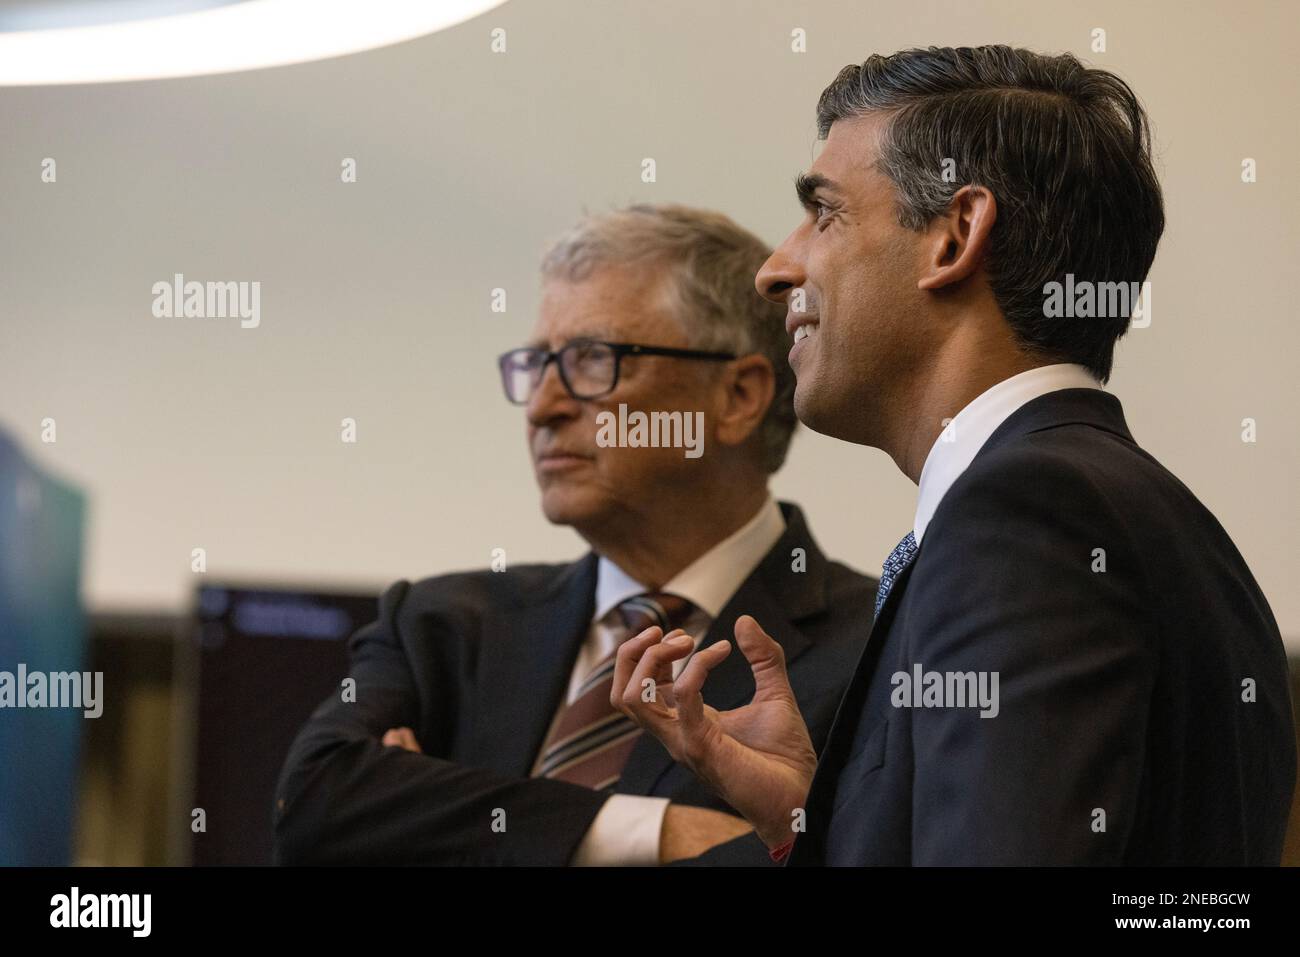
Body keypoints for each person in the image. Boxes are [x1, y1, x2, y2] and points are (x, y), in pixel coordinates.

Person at [612, 46, 1296, 865]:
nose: (774, 269)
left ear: (955, 236)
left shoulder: (1029, 512)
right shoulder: (1130, 508)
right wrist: (811, 819)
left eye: (824, 213)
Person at [272, 204, 878, 865]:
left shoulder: (881, 647)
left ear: (736, 397)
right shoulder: (440, 626)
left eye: (593, 359)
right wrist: (660, 834)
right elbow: (313, 801)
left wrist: (430, 821)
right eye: (537, 363)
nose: (542, 406)